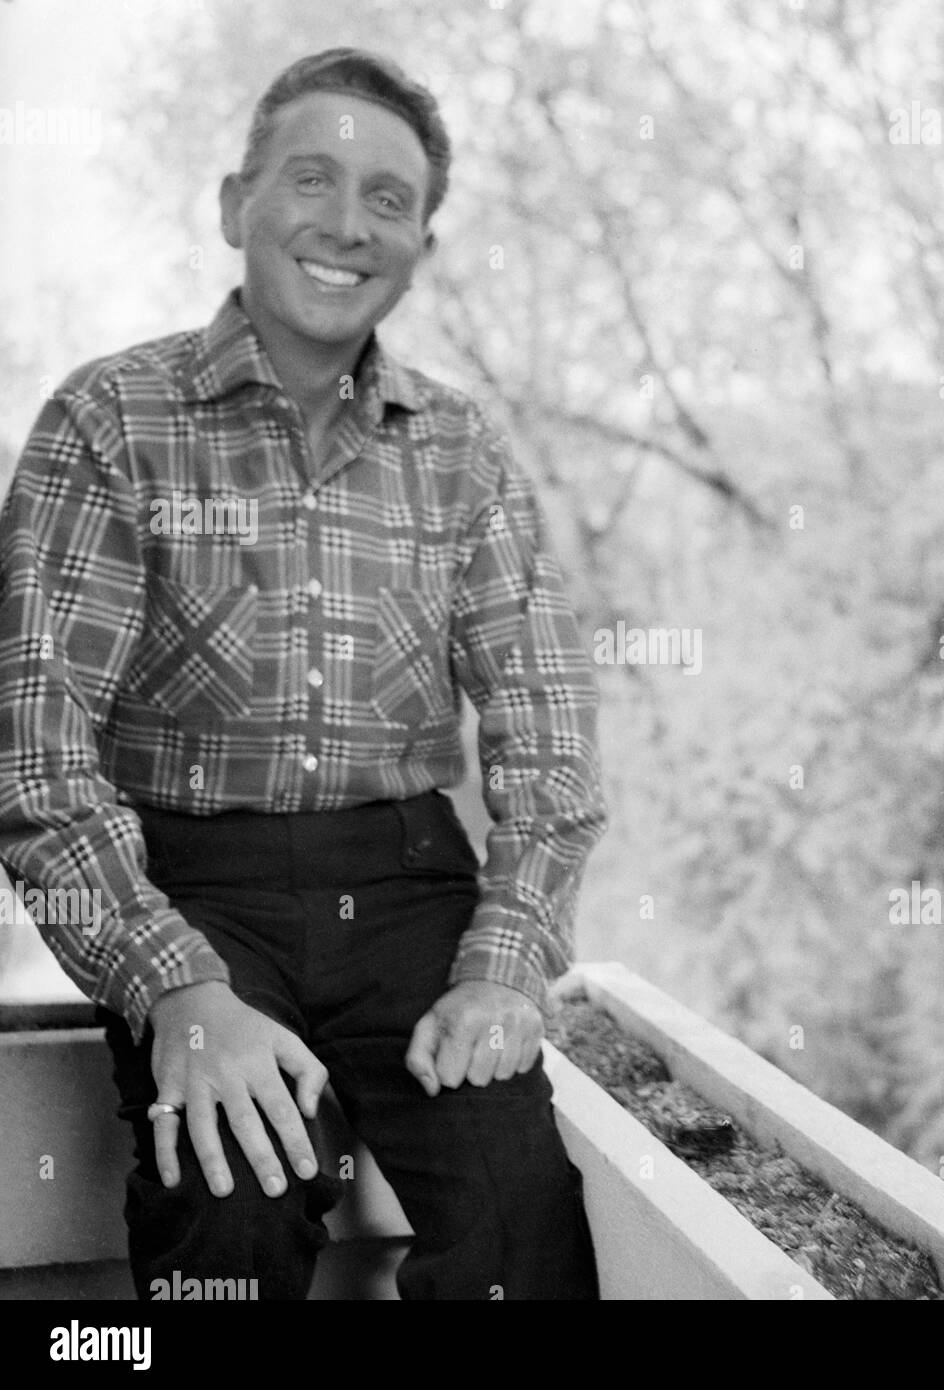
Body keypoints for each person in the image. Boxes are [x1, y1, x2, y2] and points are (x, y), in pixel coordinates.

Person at [0, 48, 606, 1300]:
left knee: (516, 1216)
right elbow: (36, 756)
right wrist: (177, 991)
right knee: (228, 1211)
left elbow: (548, 736)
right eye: (312, 179)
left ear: (422, 245)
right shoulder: (112, 420)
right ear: (236, 206)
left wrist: (505, 961)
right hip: (190, 886)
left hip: (411, 890)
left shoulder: (461, 451)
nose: (347, 223)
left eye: (389, 199)